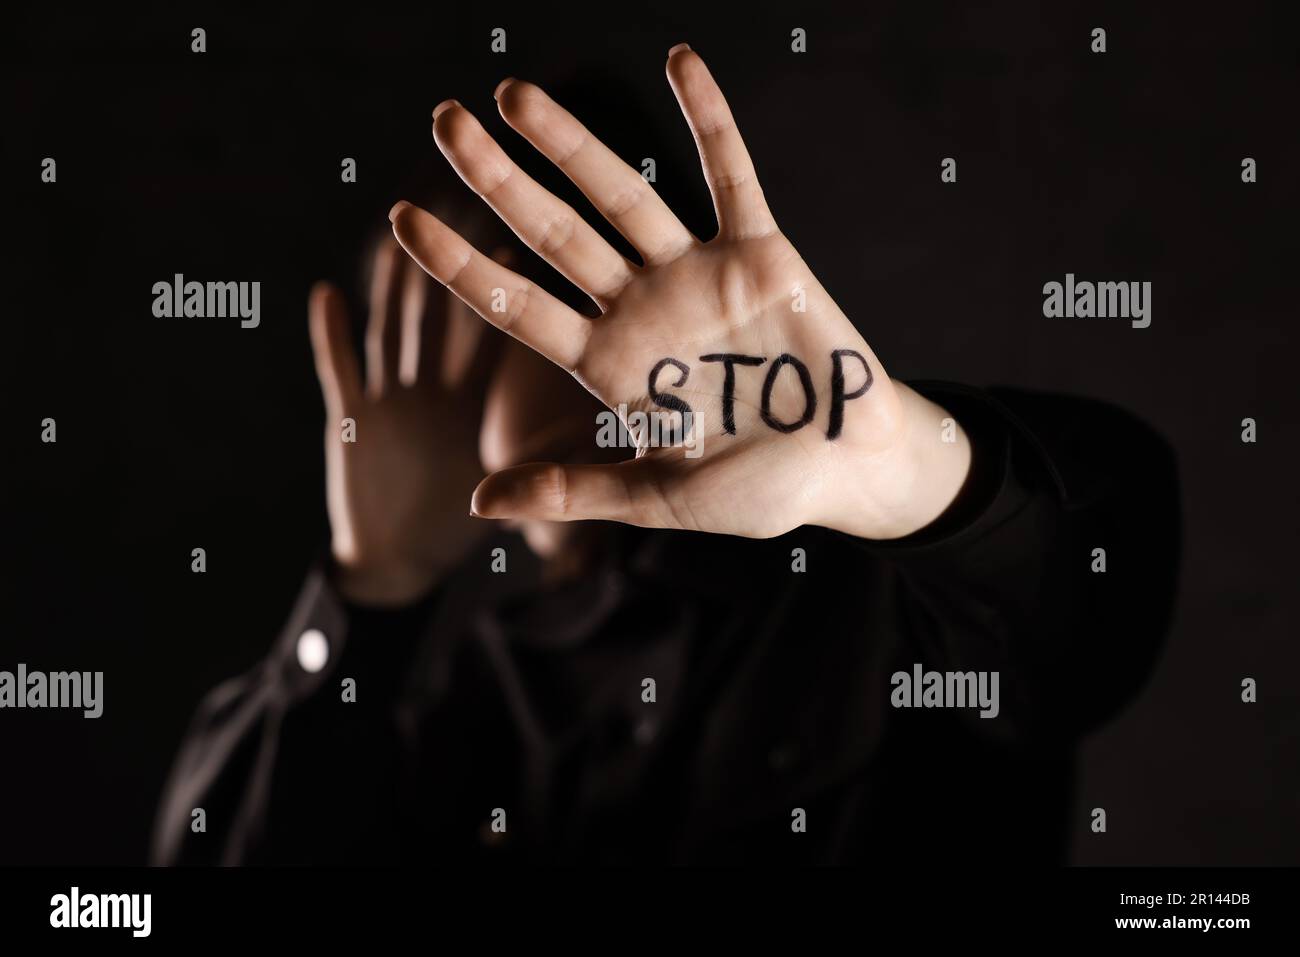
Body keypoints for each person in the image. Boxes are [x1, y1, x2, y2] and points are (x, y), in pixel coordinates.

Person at [152, 45, 1180, 865]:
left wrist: (907, 473)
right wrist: (368, 596)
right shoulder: (484, 687)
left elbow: (1089, 589)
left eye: (472, 307)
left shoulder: (871, 593)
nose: (427, 401)